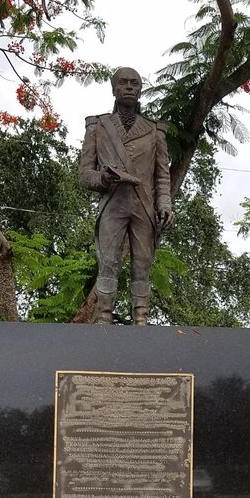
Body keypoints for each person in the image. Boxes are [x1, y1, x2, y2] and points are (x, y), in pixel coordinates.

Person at [79, 67, 174, 325]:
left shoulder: (155, 131)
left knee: (142, 265)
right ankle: (104, 317)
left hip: (144, 206)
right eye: (123, 83)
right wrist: (103, 178)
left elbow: (162, 176)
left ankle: (140, 317)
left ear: (141, 89)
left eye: (135, 83)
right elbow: (84, 173)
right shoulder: (98, 126)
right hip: (112, 204)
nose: (129, 87)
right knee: (108, 263)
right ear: (114, 89)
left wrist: (164, 203)